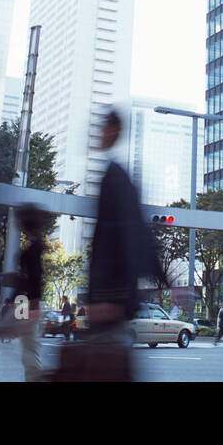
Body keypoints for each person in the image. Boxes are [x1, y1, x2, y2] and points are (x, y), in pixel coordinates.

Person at [76, 109, 159, 380]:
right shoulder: (119, 176)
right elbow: (139, 235)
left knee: (106, 368)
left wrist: (106, 297)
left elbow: (118, 240)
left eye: (100, 127)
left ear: (112, 130)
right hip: (115, 299)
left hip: (110, 300)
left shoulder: (114, 176)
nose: (96, 133)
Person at [10, 205, 48, 382]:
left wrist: (33, 305)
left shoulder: (32, 250)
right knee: (29, 348)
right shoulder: (35, 246)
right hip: (24, 302)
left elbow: (34, 278)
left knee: (30, 349)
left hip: (27, 302)